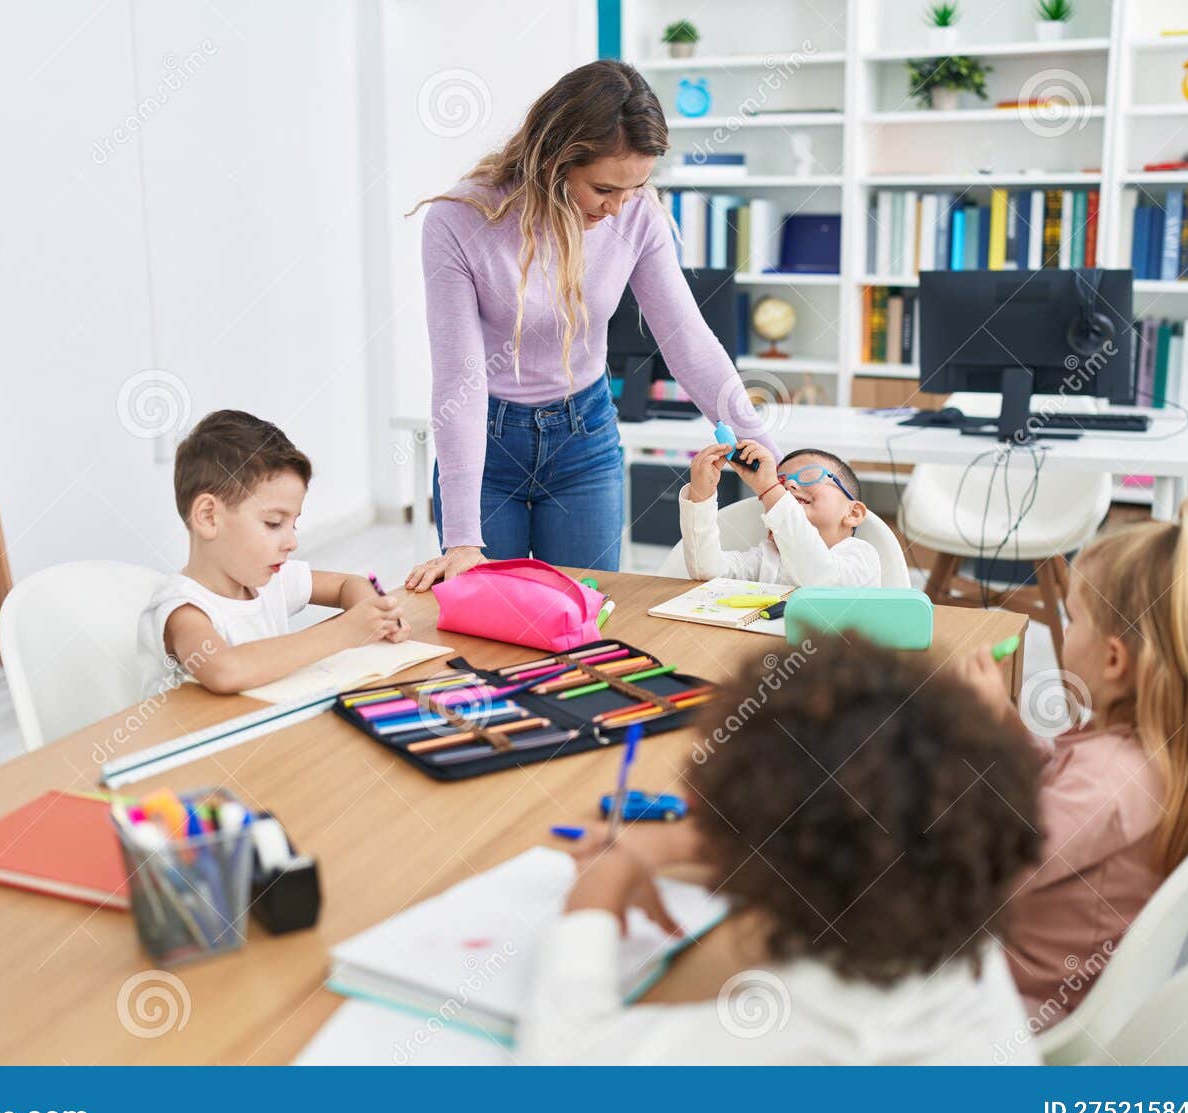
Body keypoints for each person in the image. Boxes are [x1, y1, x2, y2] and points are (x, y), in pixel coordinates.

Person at [519, 640, 1044, 1064]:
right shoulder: (948, 912)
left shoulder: (808, 1039)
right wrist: (702, 843)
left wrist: (596, 893)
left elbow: (565, 1060)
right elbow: (859, 834)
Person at [403, 59, 777, 592]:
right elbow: (461, 378)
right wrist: (461, 540)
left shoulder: (638, 215)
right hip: (486, 445)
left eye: (635, 189)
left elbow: (688, 341)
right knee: (488, 624)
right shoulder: (460, 220)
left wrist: (769, 455)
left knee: (584, 618)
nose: (620, 208)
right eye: (604, 189)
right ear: (553, 161)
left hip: (584, 439)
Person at [953, 499, 1188, 1030]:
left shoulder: (1109, 782)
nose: (1065, 632)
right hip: (1030, 974)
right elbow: (1057, 795)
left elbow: (987, 868)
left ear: (1115, 660)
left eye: (1073, 620)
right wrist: (1005, 726)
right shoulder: (1151, 749)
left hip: (1010, 1000)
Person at [136, 410, 408, 697]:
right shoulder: (182, 608)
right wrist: (345, 631)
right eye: (274, 523)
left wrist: (375, 617)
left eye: (294, 523)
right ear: (208, 517)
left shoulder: (269, 579)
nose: (291, 541)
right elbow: (225, 670)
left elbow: (348, 584)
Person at [681, 439, 881, 585]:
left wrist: (770, 489)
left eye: (810, 476)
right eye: (781, 482)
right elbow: (705, 570)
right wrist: (701, 495)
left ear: (853, 513)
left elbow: (819, 577)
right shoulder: (768, 558)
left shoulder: (861, 557)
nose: (790, 484)